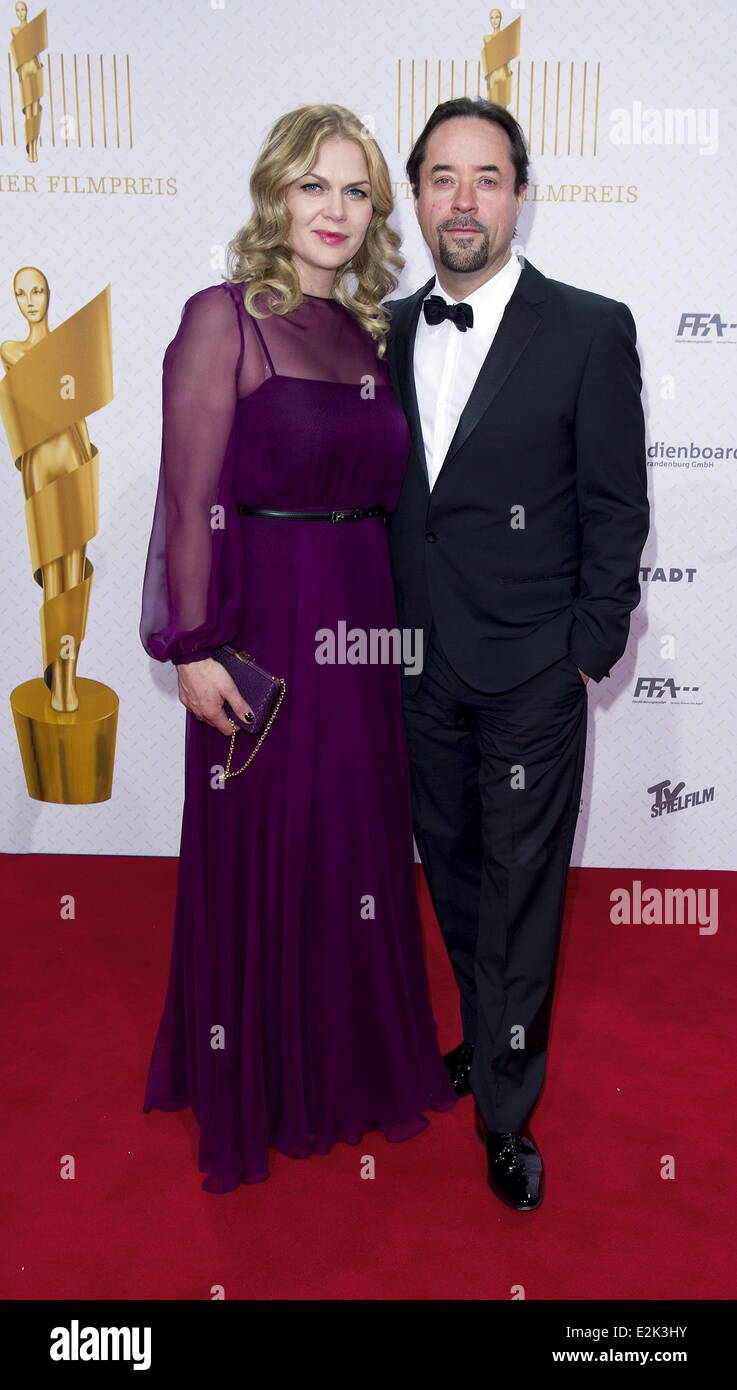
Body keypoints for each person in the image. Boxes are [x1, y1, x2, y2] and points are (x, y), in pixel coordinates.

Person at [139, 103, 456, 1194]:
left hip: (359, 626)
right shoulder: (222, 317)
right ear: (277, 193)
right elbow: (188, 501)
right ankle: (258, 1078)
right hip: (262, 630)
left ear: (376, 214)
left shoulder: (367, 334)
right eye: (313, 185)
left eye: (355, 190)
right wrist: (191, 647)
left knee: (355, 852)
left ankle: (349, 1059)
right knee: (266, 846)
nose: (333, 208)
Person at [385, 97, 650, 1210]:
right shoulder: (382, 331)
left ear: (518, 195)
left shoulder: (587, 327)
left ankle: (505, 1105)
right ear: (415, 200)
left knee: (522, 891)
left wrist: (584, 650)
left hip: (534, 668)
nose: (462, 200)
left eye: (484, 178)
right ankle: (480, 1035)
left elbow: (614, 504)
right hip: (409, 664)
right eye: (441, 178)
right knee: (449, 873)